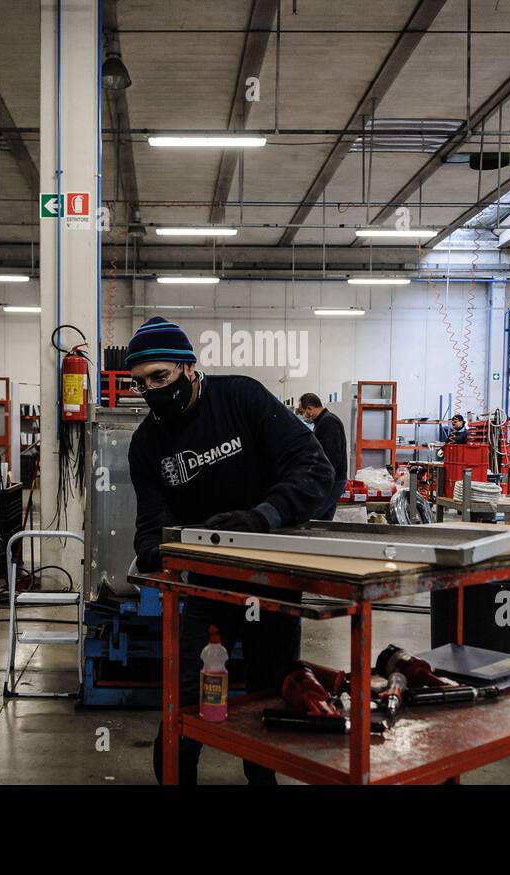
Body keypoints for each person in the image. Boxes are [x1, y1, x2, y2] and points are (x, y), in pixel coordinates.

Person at [125, 317, 334, 785]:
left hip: (272, 580)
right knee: (186, 711)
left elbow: (313, 471)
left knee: (268, 704)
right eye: (141, 383)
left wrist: (261, 517)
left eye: (161, 377)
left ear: (189, 368)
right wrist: (158, 551)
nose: (152, 390)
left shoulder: (241, 397)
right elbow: (150, 527)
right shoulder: (147, 444)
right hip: (206, 591)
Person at [296, 393, 347, 519]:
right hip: (331, 479)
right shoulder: (323, 422)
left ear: (309, 409)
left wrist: (320, 479)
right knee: (324, 520)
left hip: (332, 481)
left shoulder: (328, 422)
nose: (303, 416)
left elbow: (332, 456)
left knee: (313, 517)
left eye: (303, 412)